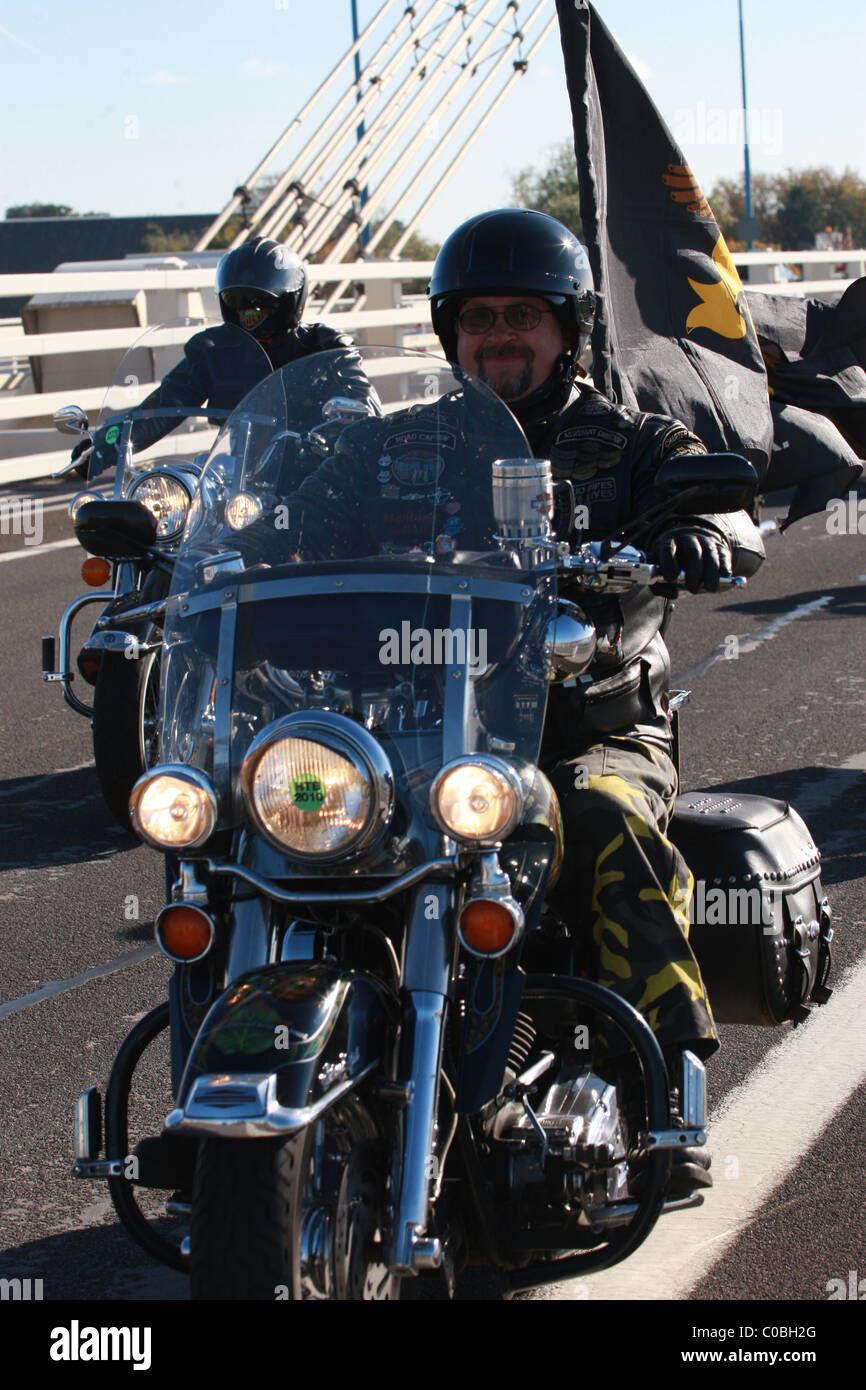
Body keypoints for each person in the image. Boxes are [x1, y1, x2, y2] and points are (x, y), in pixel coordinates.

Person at [284, 208, 765, 1196]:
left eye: (521, 315)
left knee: (603, 818)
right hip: (413, 733)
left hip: (583, 724)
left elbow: (718, 505)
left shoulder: (628, 439)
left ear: (564, 327)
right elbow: (287, 522)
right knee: (281, 827)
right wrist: (203, 545)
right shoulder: (396, 447)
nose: (499, 334)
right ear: (448, 333)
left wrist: (701, 534)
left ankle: (665, 1090)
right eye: (478, 318)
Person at [72, 235, 376, 476]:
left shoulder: (327, 348)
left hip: (317, 474)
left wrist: (334, 433)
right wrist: (101, 445)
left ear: (287, 300)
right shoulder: (215, 350)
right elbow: (164, 405)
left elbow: (367, 409)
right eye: (236, 301)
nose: (247, 311)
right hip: (241, 477)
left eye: (257, 302)